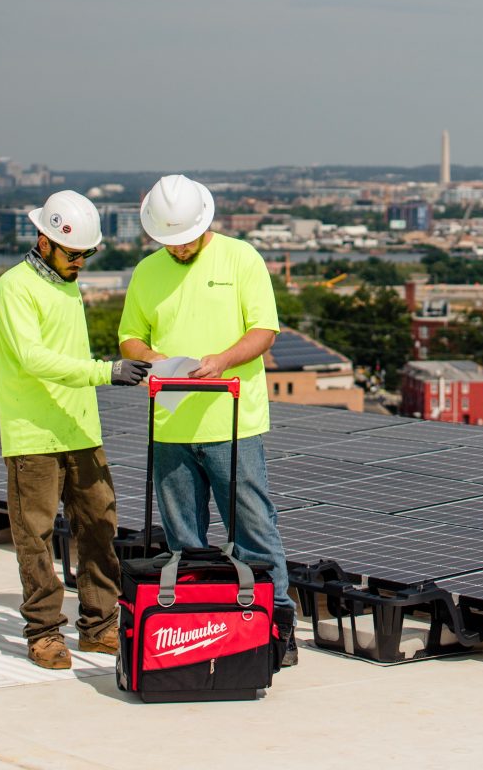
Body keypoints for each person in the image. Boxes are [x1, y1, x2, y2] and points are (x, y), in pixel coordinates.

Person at [116, 174, 297, 666]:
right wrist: (153, 358)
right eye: (169, 243)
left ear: (204, 223)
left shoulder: (241, 258)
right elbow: (130, 337)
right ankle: (197, 628)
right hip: (171, 424)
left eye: (186, 240)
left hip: (231, 424)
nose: (178, 249)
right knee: (183, 541)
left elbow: (264, 330)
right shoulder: (148, 271)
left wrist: (222, 360)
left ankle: (275, 627)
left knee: (253, 529)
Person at [0, 190, 152, 669]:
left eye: (88, 254)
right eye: (74, 253)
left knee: (100, 528)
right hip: (33, 434)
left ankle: (100, 627)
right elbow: (34, 359)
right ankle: (44, 633)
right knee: (35, 535)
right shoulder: (14, 287)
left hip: (81, 430)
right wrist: (107, 371)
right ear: (44, 242)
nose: (81, 261)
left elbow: (66, 357)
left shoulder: (67, 284)